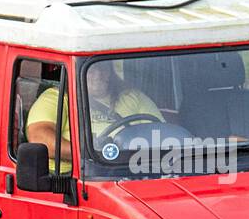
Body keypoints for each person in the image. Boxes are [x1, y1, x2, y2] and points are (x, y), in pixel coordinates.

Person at [26, 62, 162, 170]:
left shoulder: (132, 97)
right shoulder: (57, 98)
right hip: (75, 177)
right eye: (91, 70)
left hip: (133, 167)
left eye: (103, 69)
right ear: (75, 72)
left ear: (110, 73)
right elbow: (40, 138)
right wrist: (92, 153)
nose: (98, 75)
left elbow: (162, 132)